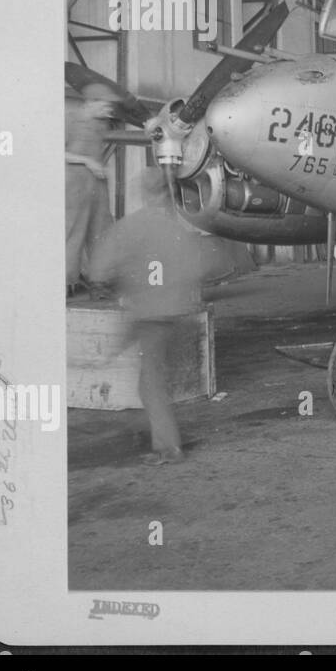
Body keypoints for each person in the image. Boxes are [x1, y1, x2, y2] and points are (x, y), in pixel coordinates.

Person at [89, 170, 227, 465]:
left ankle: (169, 448)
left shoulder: (132, 226)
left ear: (145, 193)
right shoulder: (176, 228)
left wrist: (121, 279)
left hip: (146, 314)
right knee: (150, 382)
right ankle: (161, 438)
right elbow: (202, 266)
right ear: (165, 192)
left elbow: (98, 269)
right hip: (173, 314)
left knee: (152, 384)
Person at [65, 82, 116, 296]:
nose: (109, 111)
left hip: (97, 185)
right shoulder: (69, 120)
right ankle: (66, 283)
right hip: (75, 185)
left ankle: (99, 283)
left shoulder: (100, 125)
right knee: (73, 233)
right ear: (91, 103)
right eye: (106, 105)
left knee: (101, 233)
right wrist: (87, 161)